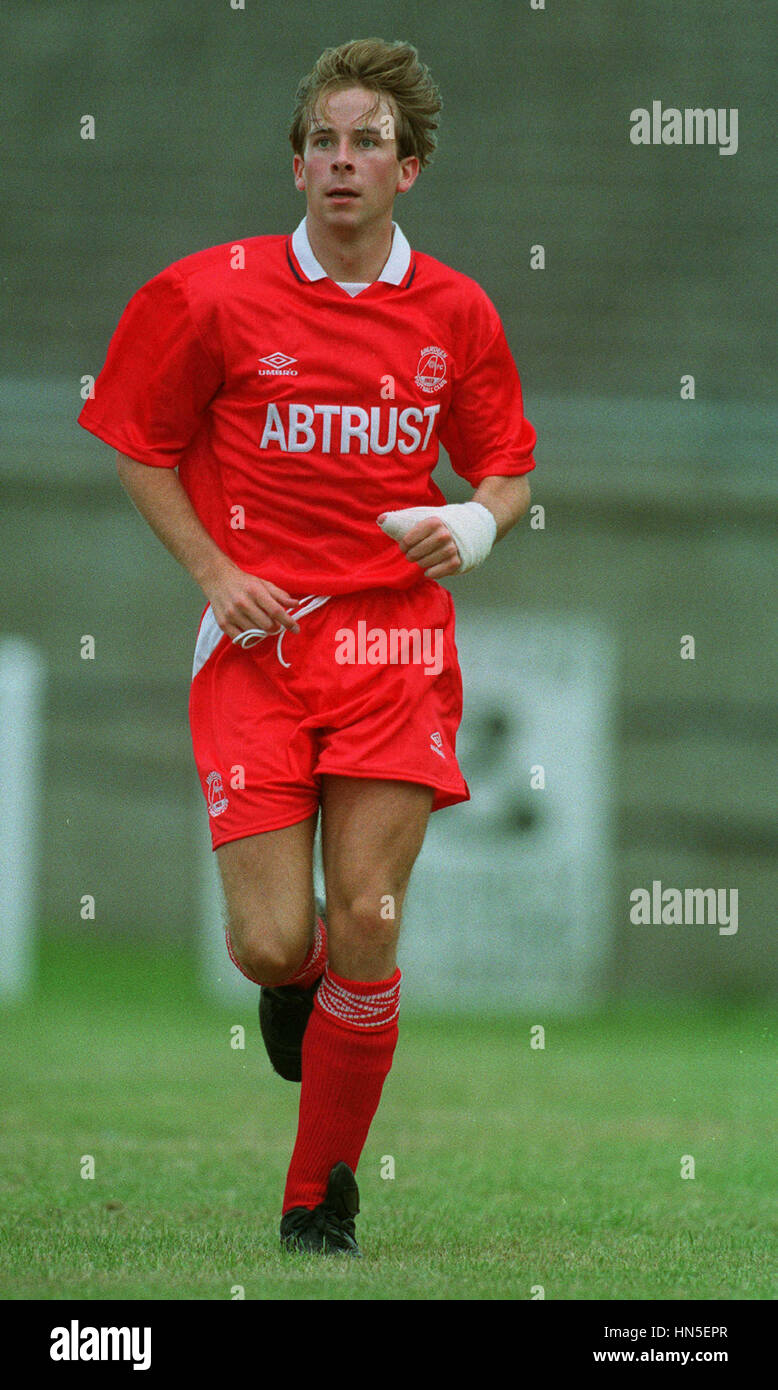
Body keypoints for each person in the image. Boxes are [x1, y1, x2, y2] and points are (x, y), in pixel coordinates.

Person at [78, 36, 536, 1257]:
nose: (343, 161)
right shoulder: (207, 294)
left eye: (366, 143)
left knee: (371, 915)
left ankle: (315, 1197)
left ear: (409, 169)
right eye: (322, 143)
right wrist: (218, 575)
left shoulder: (456, 311)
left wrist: (471, 524)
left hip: (395, 647)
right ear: (296, 168)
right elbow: (137, 439)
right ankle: (300, 983)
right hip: (259, 650)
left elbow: (507, 466)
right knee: (274, 940)